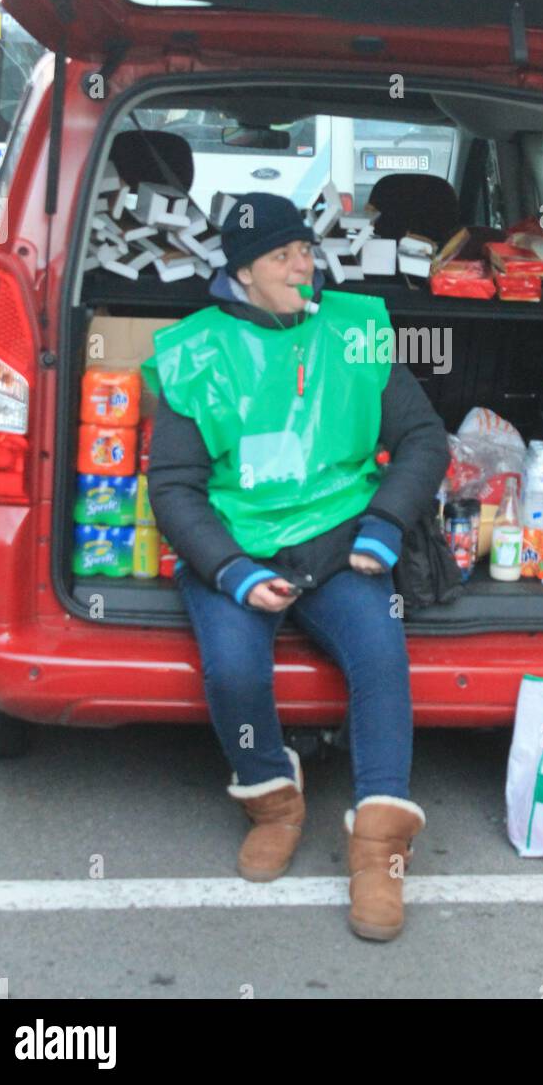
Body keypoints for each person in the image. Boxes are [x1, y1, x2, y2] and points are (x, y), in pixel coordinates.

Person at [143, 192, 450, 941]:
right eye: (282, 256)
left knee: (381, 655)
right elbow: (174, 488)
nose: (302, 265)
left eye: (306, 251)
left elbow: (424, 441)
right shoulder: (195, 350)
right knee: (236, 669)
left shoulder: (355, 329)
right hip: (238, 545)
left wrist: (383, 526)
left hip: (343, 541)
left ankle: (380, 848)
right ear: (243, 271)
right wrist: (233, 571)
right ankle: (272, 799)